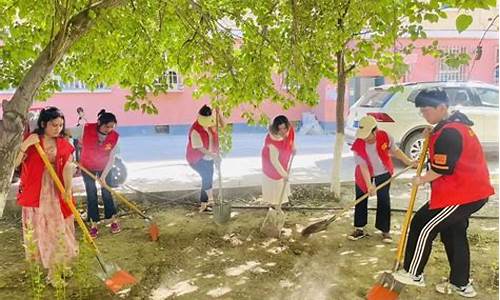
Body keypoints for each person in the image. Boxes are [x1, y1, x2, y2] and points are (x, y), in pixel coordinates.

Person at [392, 88, 494, 298]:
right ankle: (461, 284)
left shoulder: (450, 132)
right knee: (453, 232)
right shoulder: (452, 125)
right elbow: (444, 145)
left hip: (462, 194)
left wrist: (421, 179)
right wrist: (432, 132)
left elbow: (440, 169)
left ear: (441, 108)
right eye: (421, 111)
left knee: (422, 225)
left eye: (426, 110)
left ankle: (414, 273)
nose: (423, 114)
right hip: (468, 191)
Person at [16, 107, 78, 286]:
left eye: (60, 125)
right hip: (37, 194)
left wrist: (67, 189)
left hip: (56, 192)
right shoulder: (33, 141)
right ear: (43, 124)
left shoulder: (63, 143)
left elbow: (68, 166)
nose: (58, 129)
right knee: (45, 231)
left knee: (60, 228)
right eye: (53, 125)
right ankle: (53, 274)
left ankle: (61, 265)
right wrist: (26, 144)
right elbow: (16, 163)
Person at [348, 115, 416, 243]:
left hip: (383, 171)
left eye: (368, 135)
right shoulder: (358, 143)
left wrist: (408, 161)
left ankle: (385, 230)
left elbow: (395, 151)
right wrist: (369, 185)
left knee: (384, 198)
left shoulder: (385, 136)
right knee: (361, 197)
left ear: (375, 131)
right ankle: (359, 228)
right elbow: (363, 166)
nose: (365, 138)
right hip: (364, 174)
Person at [80, 109, 120, 238]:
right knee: (91, 194)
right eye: (106, 126)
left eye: (111, 127)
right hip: (87, 167)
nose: (109, 129)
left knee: (107, 192)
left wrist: (103, 177)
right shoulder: (86, 129)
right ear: (99, 123)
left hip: (104, 167)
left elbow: (111, 158)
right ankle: (94, 224)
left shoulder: (115, 137)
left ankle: (113, 220)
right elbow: (68, 135)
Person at [186, 105, 223, 212]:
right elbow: (200, 148)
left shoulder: (209, 123)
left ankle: (205, 204)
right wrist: (213, 155)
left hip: (209, 157)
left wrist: (218, 113)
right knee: (207, 178)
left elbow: (222, 125)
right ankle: (206, 202)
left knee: (208, 178)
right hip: (197, 159)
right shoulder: (195, 131)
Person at [261, 115, 296, 208]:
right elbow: (274, 161)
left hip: (283, 156)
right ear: (275, 129)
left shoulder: (289, 129)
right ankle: (274, 205)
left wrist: (293, 147)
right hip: (270, 163)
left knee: (283, 180)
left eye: (284, 128)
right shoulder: (272, 141)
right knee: (277, 181)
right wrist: (284, 174)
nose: (283, 131)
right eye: (280, 129)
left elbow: (292, 138)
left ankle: (282, 202)